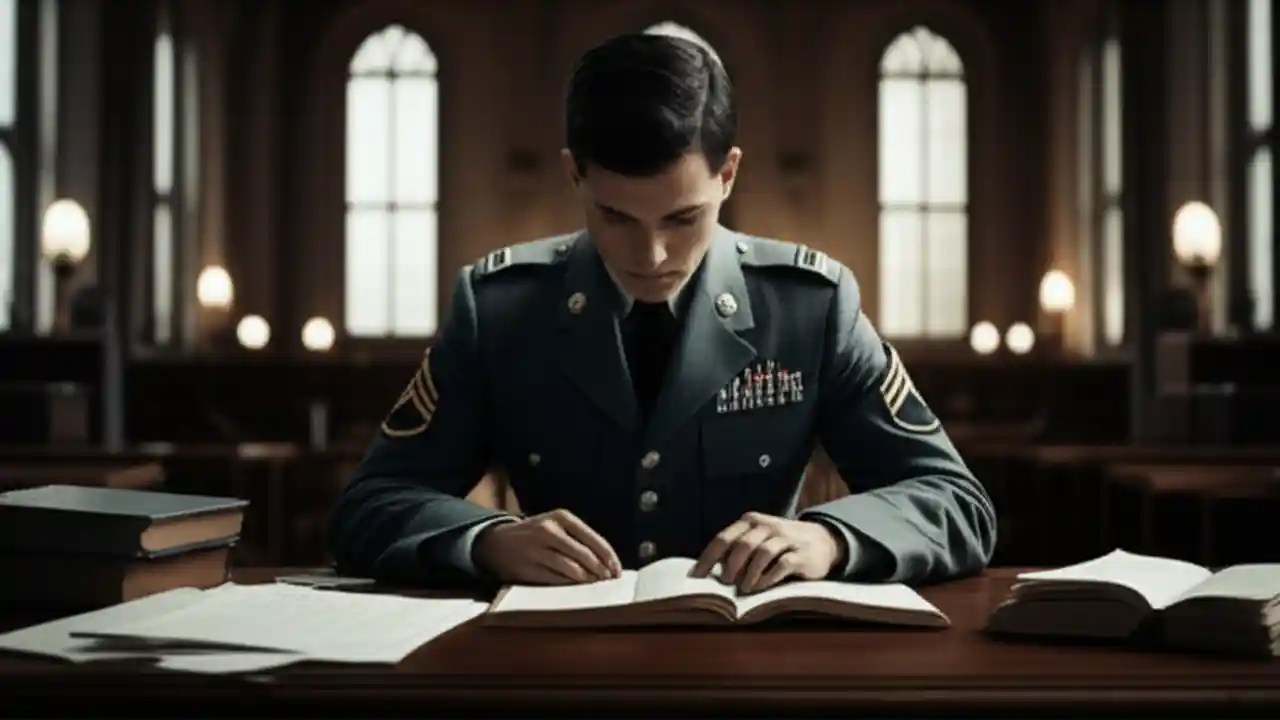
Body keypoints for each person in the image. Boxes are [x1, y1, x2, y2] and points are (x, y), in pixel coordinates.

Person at [328, 32, 996, 594]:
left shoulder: (811, 307)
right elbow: (370, 507)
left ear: (728, 175)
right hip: (554, 665)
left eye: (684, 217)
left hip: (753, 663)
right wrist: (485, 542)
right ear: (575, 176)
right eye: (615, 216)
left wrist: (828, 539)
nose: (650, 254)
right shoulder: (499, 309)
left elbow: (955, 503)